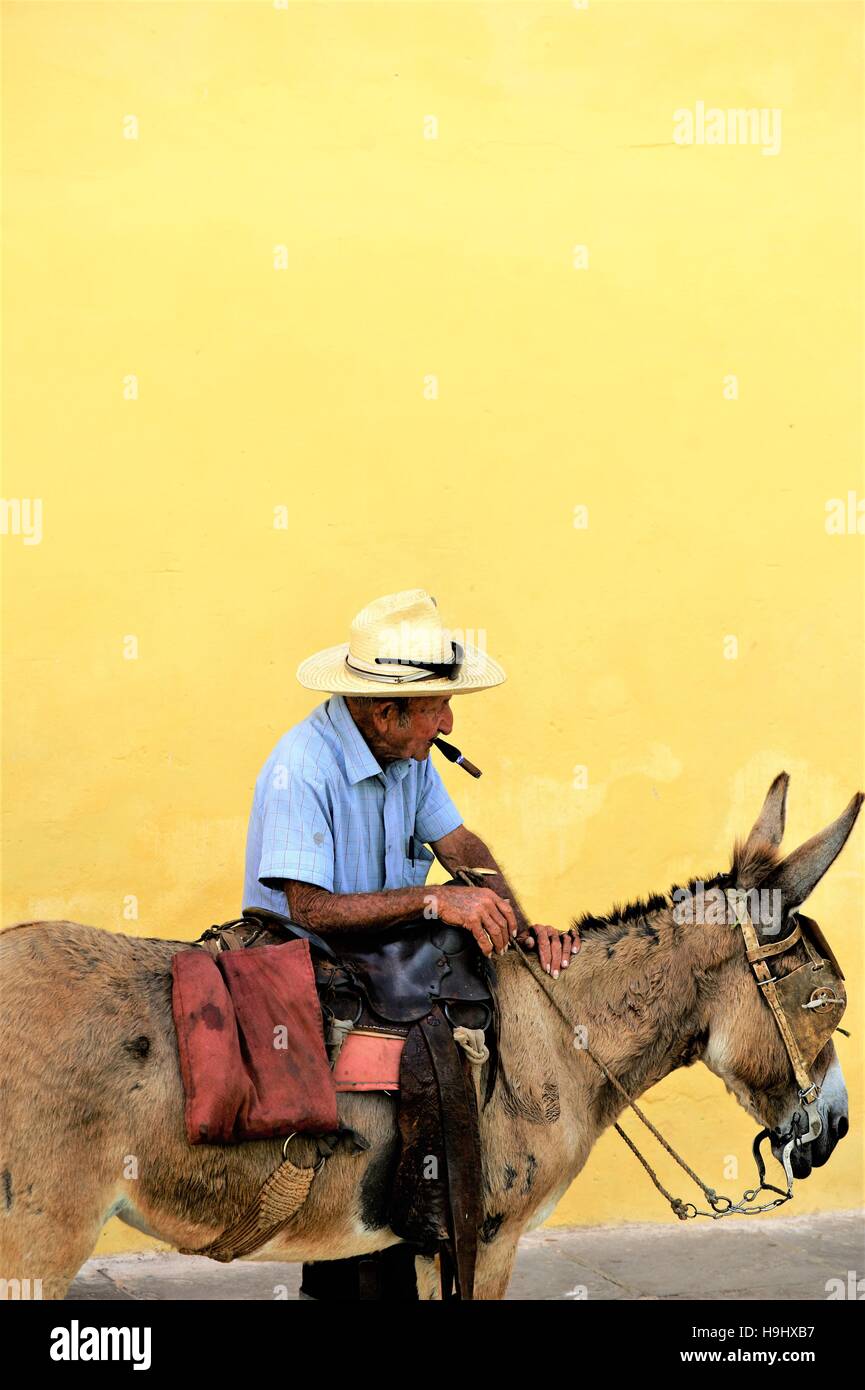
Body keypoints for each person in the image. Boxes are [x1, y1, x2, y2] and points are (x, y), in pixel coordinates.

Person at [241, 588, 580, 1297]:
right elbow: (307, 907)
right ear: (382, 710)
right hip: (306, 965)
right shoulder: (301, 765)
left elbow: (459, 845)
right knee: (359, 1119)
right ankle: (352, 1250)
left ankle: (407, 1235)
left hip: (388, 964)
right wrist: (434, 900)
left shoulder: (411, 754)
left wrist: (514, 925)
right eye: (437, 708)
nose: (449, 721)